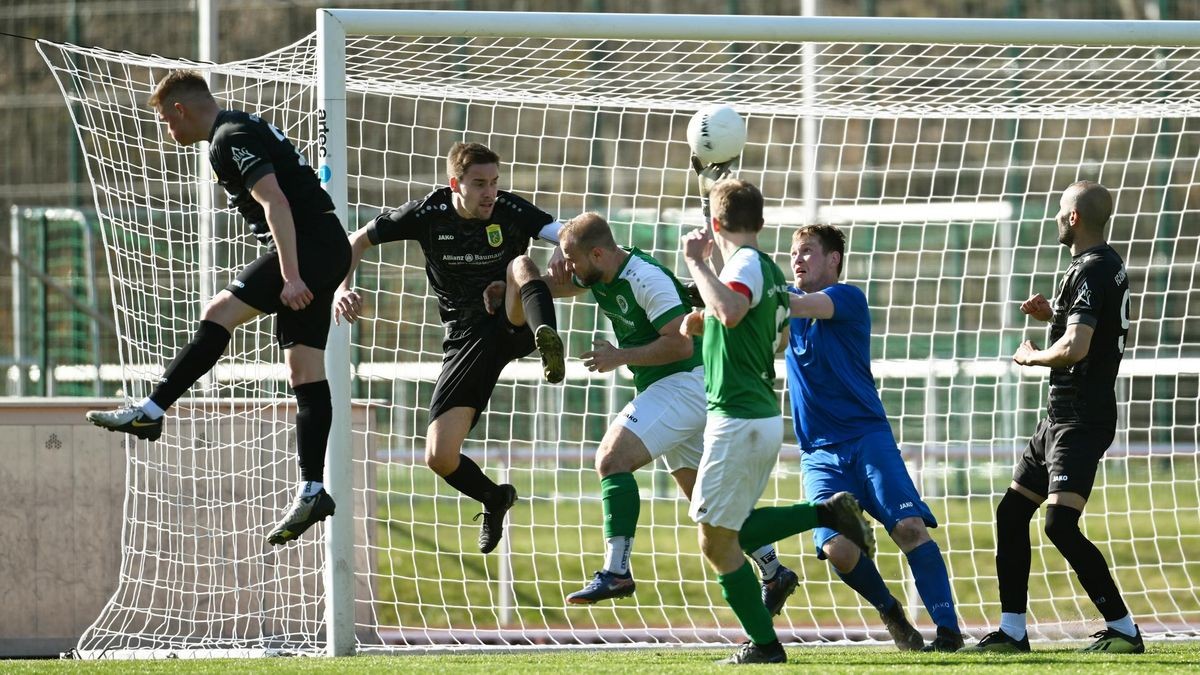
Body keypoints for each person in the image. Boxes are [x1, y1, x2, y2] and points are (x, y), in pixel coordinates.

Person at [85, 70, 351, 546]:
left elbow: (276, 204)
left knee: (219, 312)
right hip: (325, 246)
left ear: (181, 110)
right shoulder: (239, 127)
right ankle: (312, 489)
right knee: (304, 371)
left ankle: (152, 408)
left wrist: (291, 276)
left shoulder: (228, 136)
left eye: (167, 121)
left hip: (308, 247)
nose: (169, 132)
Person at [551, 213, 798, 614]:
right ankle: (774, 572)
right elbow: (554, 242)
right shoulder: (597, 267)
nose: (570, 269)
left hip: (685, 382)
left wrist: (619, 357)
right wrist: (518, 281)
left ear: (597, 253)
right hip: (670, 388)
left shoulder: (645, 280)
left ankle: (616, 570)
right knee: (710, 506)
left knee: (612, 460)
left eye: (573, 260)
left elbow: (681, 345)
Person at [333, 142, 565, 555]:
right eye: (479, 184)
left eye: (494, 182)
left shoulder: (511, 209)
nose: (490, 192)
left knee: (518, 266)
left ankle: (549, 338)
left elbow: (562, 231)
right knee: (439, 456)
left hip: (512, 320)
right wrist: (342, 289)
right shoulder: (427, 213)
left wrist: (564, 250)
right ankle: (495, 498)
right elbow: (356, 241)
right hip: (467, 339)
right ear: (454, 183)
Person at [680, 178, 875, 665]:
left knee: (714, 537)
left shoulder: (742, 264)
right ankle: (824, 516)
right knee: (733, 533)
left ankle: (766, 644)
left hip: (740, 418)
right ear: (762, 224)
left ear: (716, 224)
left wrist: (696, 263)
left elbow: (731, 310)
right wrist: (704, 323)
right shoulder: (764, 268)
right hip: (754, 417)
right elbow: (772, 336)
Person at [963, 181, 1141, 654]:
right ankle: (1013, 630)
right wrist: (1054, 315)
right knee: (1012, 511)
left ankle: (1124, 628)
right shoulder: (1101, 264)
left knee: (1059, 525)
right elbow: (1087, 331)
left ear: (1075, 219)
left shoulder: (1093, 269)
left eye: (1061, 210)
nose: (1056, 217)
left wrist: (1032, 356)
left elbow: (1077, 348)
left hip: (1081, 418)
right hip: (1060, 416)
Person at [784, 224, 964, 652]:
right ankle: (891, 612)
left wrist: (751, 291)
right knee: (838, 549)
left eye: (807, 251)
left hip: (868, 440)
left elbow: (795, 303)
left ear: (834, 260)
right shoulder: (786, 315)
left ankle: (949, 631)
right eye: (793, 253)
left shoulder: (846, 297)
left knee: (908, 528)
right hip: (820, 455)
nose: (797, 259)